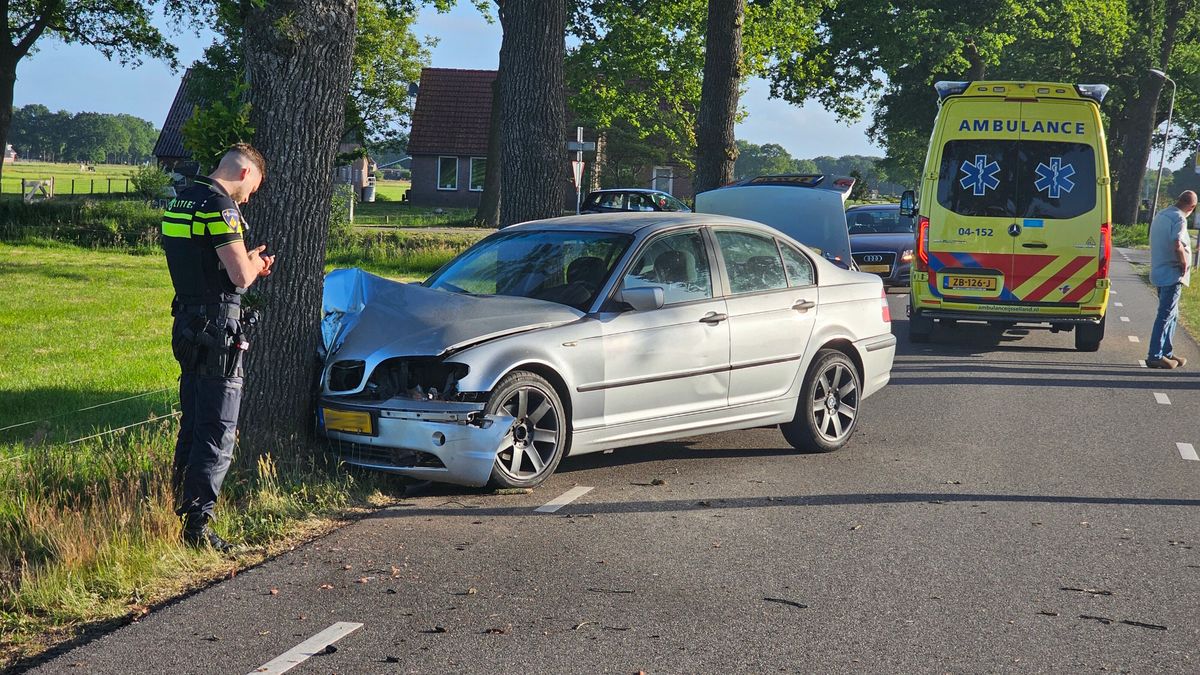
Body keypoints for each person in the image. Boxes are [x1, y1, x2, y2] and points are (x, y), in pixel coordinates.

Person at [161, 144, 273, 551]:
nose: (250, 198)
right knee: (218, 428)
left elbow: (197, 258)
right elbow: (239, 276)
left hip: (187, 321)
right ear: (244, 174)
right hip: (217, 328)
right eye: (254, 188)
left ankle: (177, 509)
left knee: (192, 423)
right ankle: (198, 530)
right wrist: (256, 265)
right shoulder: (221, 206)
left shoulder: (181, 201)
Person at [1146, 190, 1197, 369]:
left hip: (1159, 270)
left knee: (1172, 314)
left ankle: (1166, 351)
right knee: (1166, 315)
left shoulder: (1162, 214)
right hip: (1172, 272)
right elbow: (1176, 243)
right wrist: (1183, 263)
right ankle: (1155, 354)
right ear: (1192, 207)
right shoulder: (1179, 219)